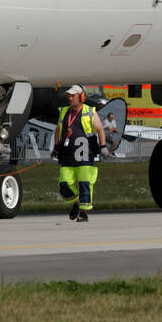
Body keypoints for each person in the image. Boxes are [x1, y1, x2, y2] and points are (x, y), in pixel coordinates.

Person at [53, 85, 105, 223]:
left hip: (85, 153)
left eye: (72, 96)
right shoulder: (64, 111)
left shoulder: (89, 111)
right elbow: (58, 130)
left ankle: (84, 212)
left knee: (85, 184)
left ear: (81, 97)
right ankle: (76, 202)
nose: (69, 98)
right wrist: (56, 146)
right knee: (64, 184)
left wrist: (103, 146)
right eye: (68, 96)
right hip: (67, 154)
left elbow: (100, 129)